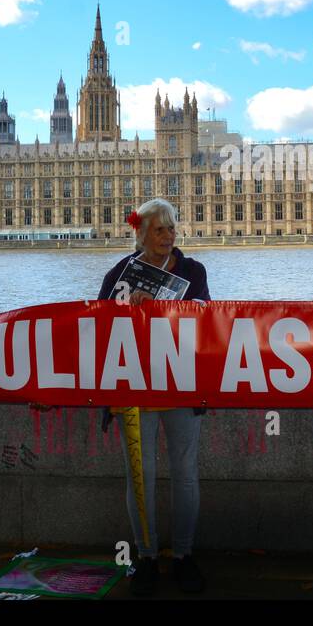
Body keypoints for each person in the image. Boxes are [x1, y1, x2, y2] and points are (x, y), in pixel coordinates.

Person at [96, 198, 210, 597]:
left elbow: (205, 315)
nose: (168, 236)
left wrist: (159, 306)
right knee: (139, 477)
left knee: (185, 475)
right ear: (141, 234)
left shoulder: (193, 271)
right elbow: (99, 323)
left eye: (171, 228)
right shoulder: (120, 273)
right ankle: (146, 556)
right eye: (159, 230)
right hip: (134, 386)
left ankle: (183, 556)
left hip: (180, 383)